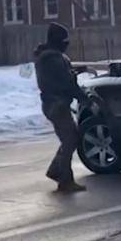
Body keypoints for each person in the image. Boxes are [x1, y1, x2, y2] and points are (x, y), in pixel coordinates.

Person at [35, 22, 88, 193]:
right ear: (58, 41)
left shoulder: (49, 57)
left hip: (53, 103)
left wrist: (73, 72)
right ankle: (64, 180)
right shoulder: (53, 59)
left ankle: (57, 171)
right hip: (57, 104)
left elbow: (61, 77)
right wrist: (84, 98)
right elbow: (66, 83)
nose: (67, 44)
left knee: (69, 138)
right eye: (64, 41)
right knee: (70, 139)